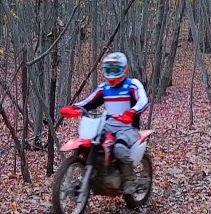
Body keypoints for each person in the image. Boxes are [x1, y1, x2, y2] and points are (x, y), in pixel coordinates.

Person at [61, 52, 150, 191]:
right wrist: (74, 108)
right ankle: (94, 173)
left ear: (125, 69)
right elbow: (89, 101)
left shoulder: (132, 85)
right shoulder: (105, 88)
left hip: (128, 127)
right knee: (91, 142)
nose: (112, 73)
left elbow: (143, 100)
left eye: (115, 70)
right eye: (109, 70)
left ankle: (129, 179)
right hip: (107, 126)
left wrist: (132, 112)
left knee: (120, 149)